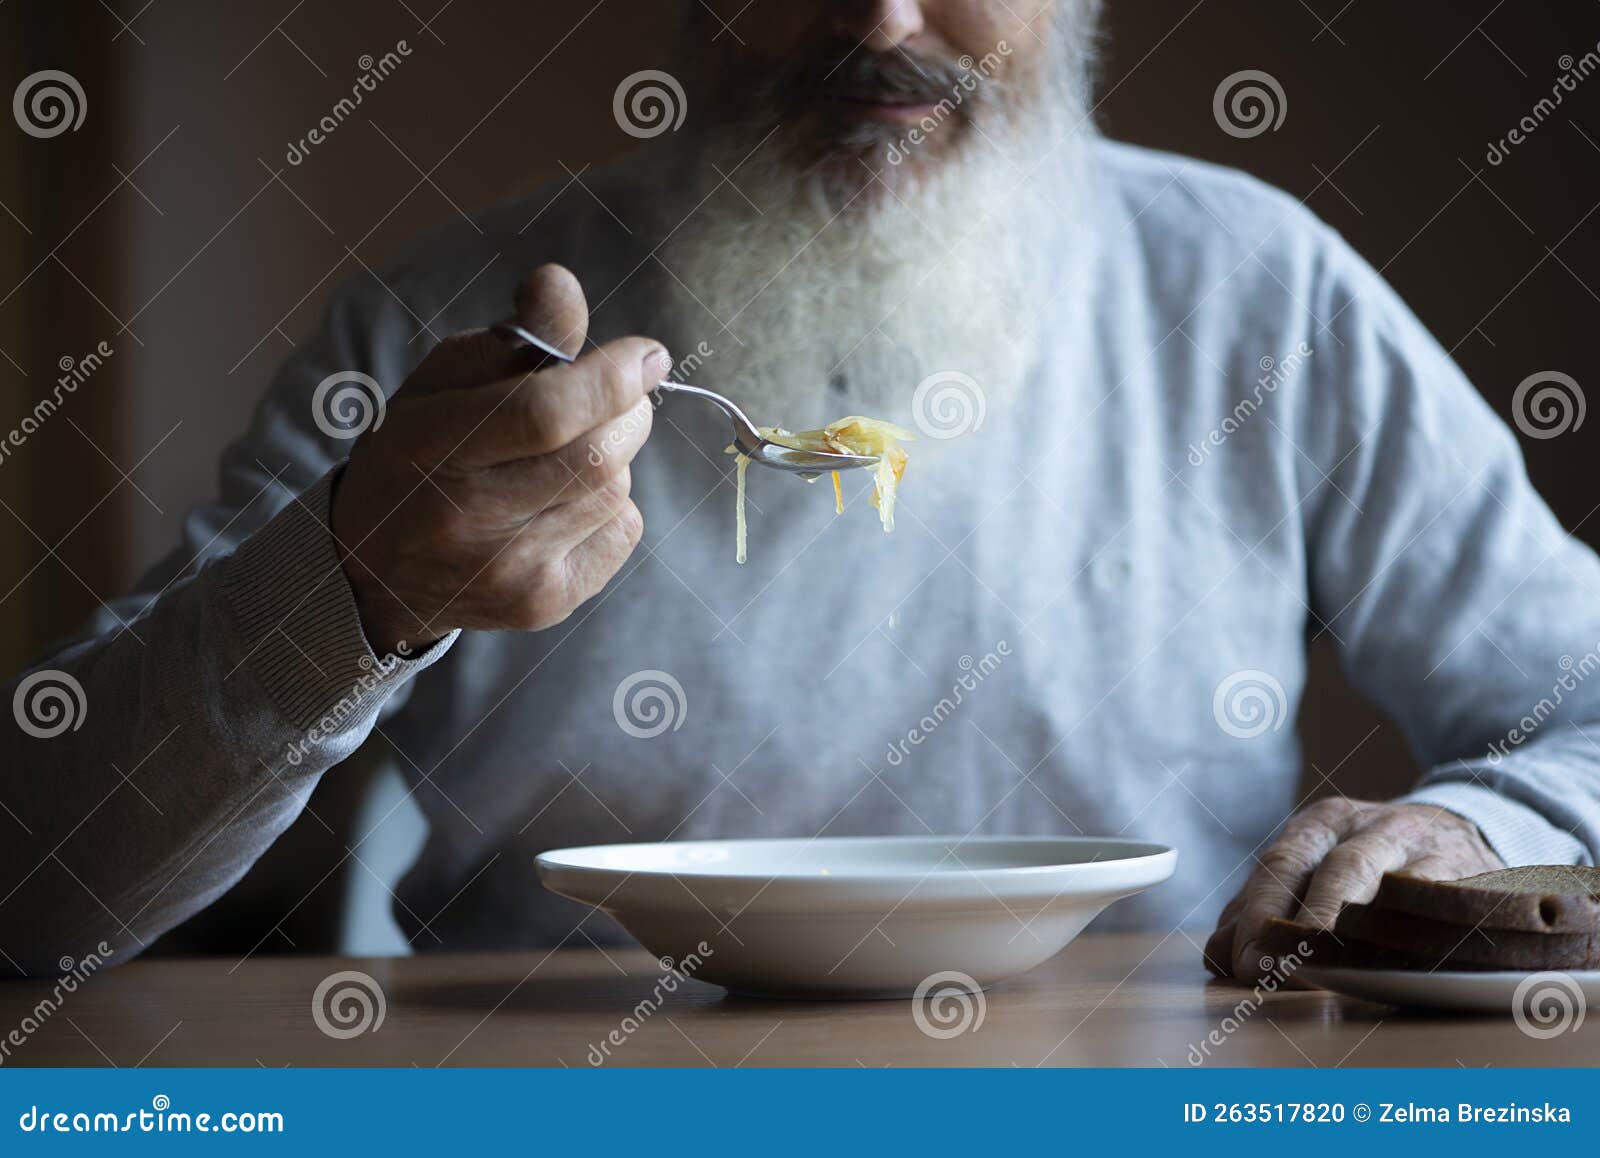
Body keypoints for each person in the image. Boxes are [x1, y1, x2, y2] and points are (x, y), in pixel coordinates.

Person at [4, 1, 1595, 984]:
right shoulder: (448, 326)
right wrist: (353, 587)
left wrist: (1479, 821)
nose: (882, 20)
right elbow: (34, 881)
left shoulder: (1260, 299)